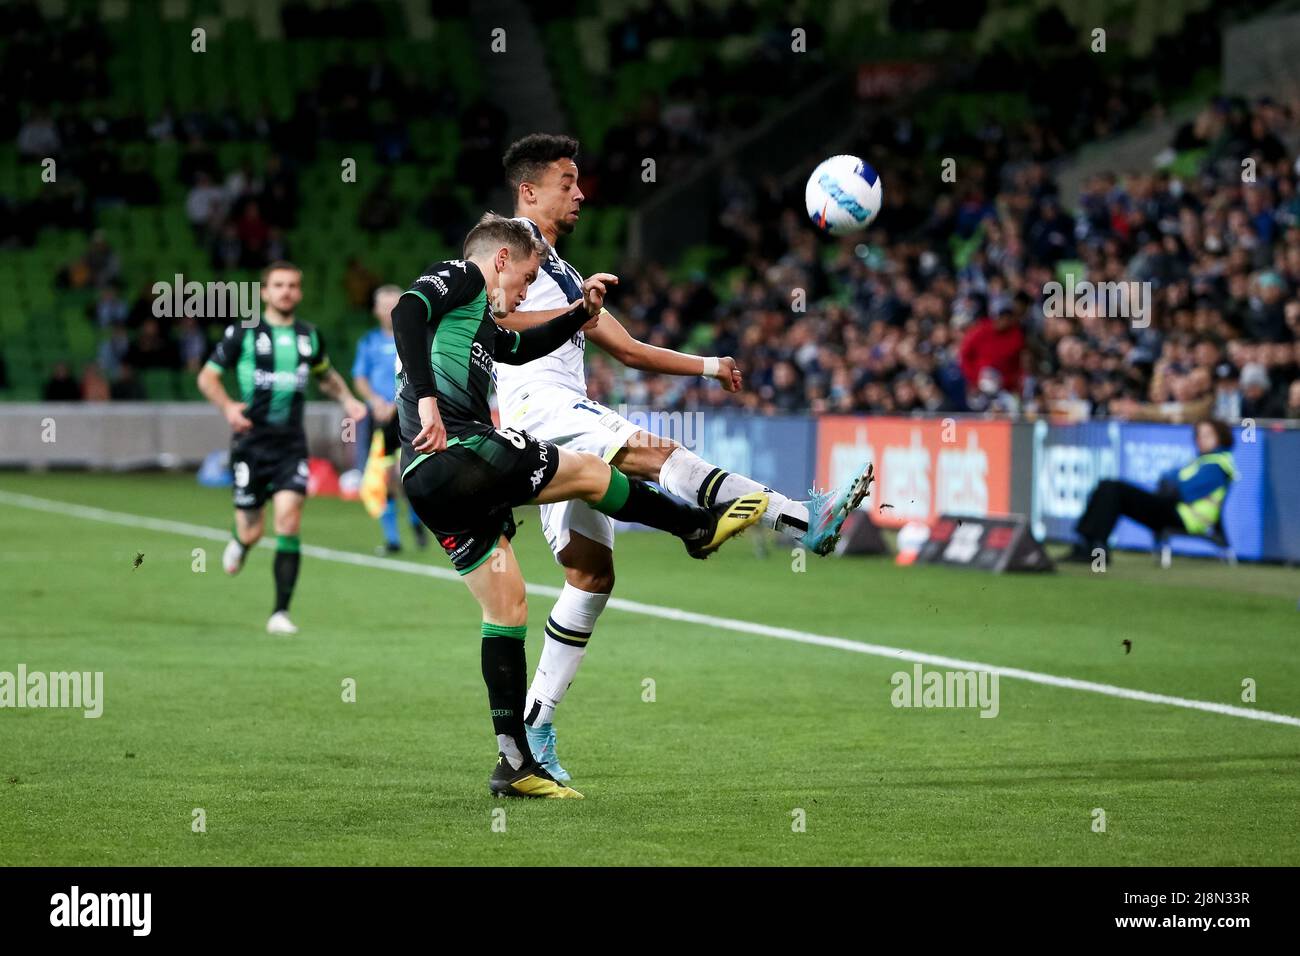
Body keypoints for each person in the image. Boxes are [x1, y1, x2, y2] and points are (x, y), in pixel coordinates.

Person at [492, 134, 874, 782]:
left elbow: (632, 349)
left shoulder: (562, 273)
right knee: (655, 452)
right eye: (567, 181)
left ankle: (535, 726)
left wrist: (707, 365)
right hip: (543, 411)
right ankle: (807, 522)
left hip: (556, 420)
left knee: (591, 578)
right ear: (529, 190)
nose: (581, 193)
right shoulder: (502, 247)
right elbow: (493, 321)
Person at [391, 214, 767, 798]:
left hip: (430, 481)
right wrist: (428, 400)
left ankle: (512, 764)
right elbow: (405, 311)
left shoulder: (483, 328)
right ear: (499, 261)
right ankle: (694, 527)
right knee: (592, 472)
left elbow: (524, 343)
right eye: (525, 277)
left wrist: (579, 314)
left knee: (508, 607)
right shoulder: (464, 276)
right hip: (459, 449)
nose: (524, 291)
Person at [197, 261, 368, 634]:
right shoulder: (242, 333)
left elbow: (326, 376)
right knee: (252, 530)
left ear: (300, 292)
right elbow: (207, 376)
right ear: (264, 292)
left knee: (288, 521)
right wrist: (228, 407)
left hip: (291, 443)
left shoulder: (310, 336)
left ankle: (280, 613)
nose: (286, 291)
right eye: (278, 285)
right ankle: (241, 543)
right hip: (251, 442)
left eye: (292, 285)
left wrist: (348, 401)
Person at [1066, 418, 1236, 563]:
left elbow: (1182, 490)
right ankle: (1088, 544)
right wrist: (1170, 483)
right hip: (1174, 510)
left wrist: (1171, 483)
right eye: (1198, 435)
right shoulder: (1202, 461)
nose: (1200, 439)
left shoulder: (1217, 464)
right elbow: (1169, 480)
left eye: (1207, 435)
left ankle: (1095, 548)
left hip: (1184, 517)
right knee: (1107, 487)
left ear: (1221, 437)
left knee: (1113, 489)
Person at [351, 284, 426, 554]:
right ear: (375, 310)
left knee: (411, 474)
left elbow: (422, 375)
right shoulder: (369, 342)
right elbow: (360, 377)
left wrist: (397, 403)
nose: (389, 310)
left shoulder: (414, 337)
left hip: (410, 414)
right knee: (383, 476)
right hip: (380, 418)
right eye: (384, 305)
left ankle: (417, 521)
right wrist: (374, 402)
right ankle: (393, 538)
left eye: (394, 304)